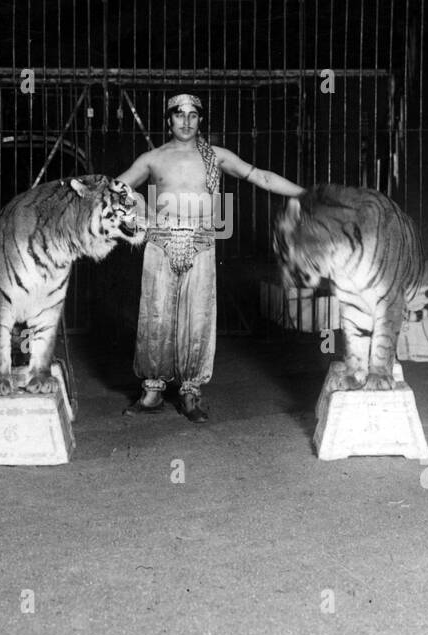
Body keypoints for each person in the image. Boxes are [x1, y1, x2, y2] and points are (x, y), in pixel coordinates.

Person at [116, 93, 305, 422]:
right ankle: (152, 391)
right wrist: (143, 215)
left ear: (201, 120)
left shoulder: (215, 156)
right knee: (155, 316)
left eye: (193, 115)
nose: (186, 121)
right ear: (169, 120)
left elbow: (260, 176)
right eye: (179, 115)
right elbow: (117, 189)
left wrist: (304, 194)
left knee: (198, 318)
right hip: (160, 244)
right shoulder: (153, 159)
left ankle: (190, 392)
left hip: (201, 243)